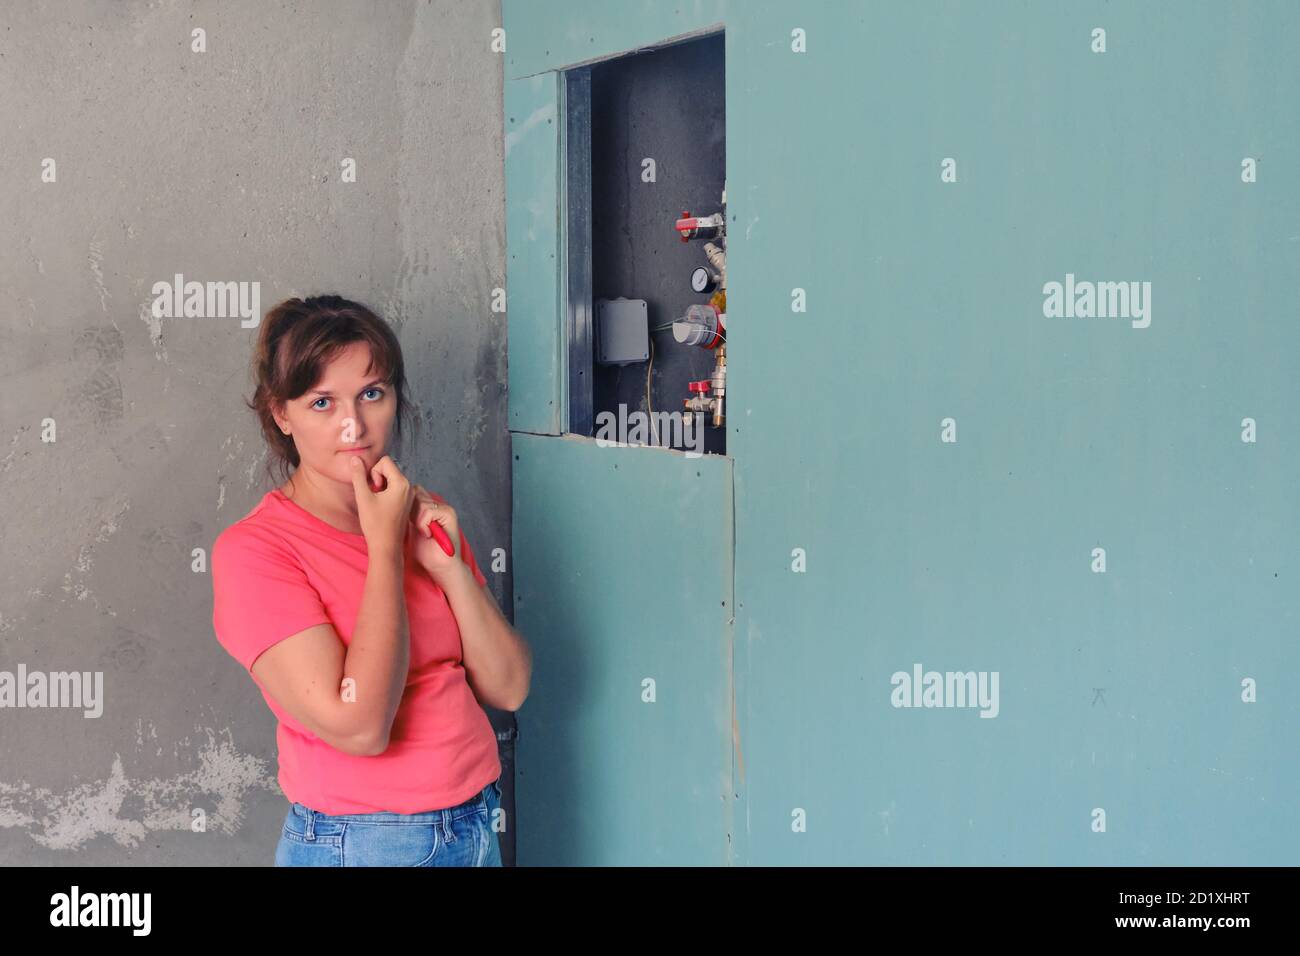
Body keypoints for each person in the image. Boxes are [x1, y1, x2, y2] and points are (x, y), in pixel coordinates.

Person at [210, 294, 531, 866]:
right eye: (321, 402)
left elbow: (509, 688)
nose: (352, 424)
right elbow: (360, 728)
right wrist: (384, 551)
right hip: (366, 841)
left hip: (473, 821)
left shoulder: (418, 513)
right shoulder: (256, 552)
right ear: (282, 414)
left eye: (372, 394)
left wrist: (449, 569)